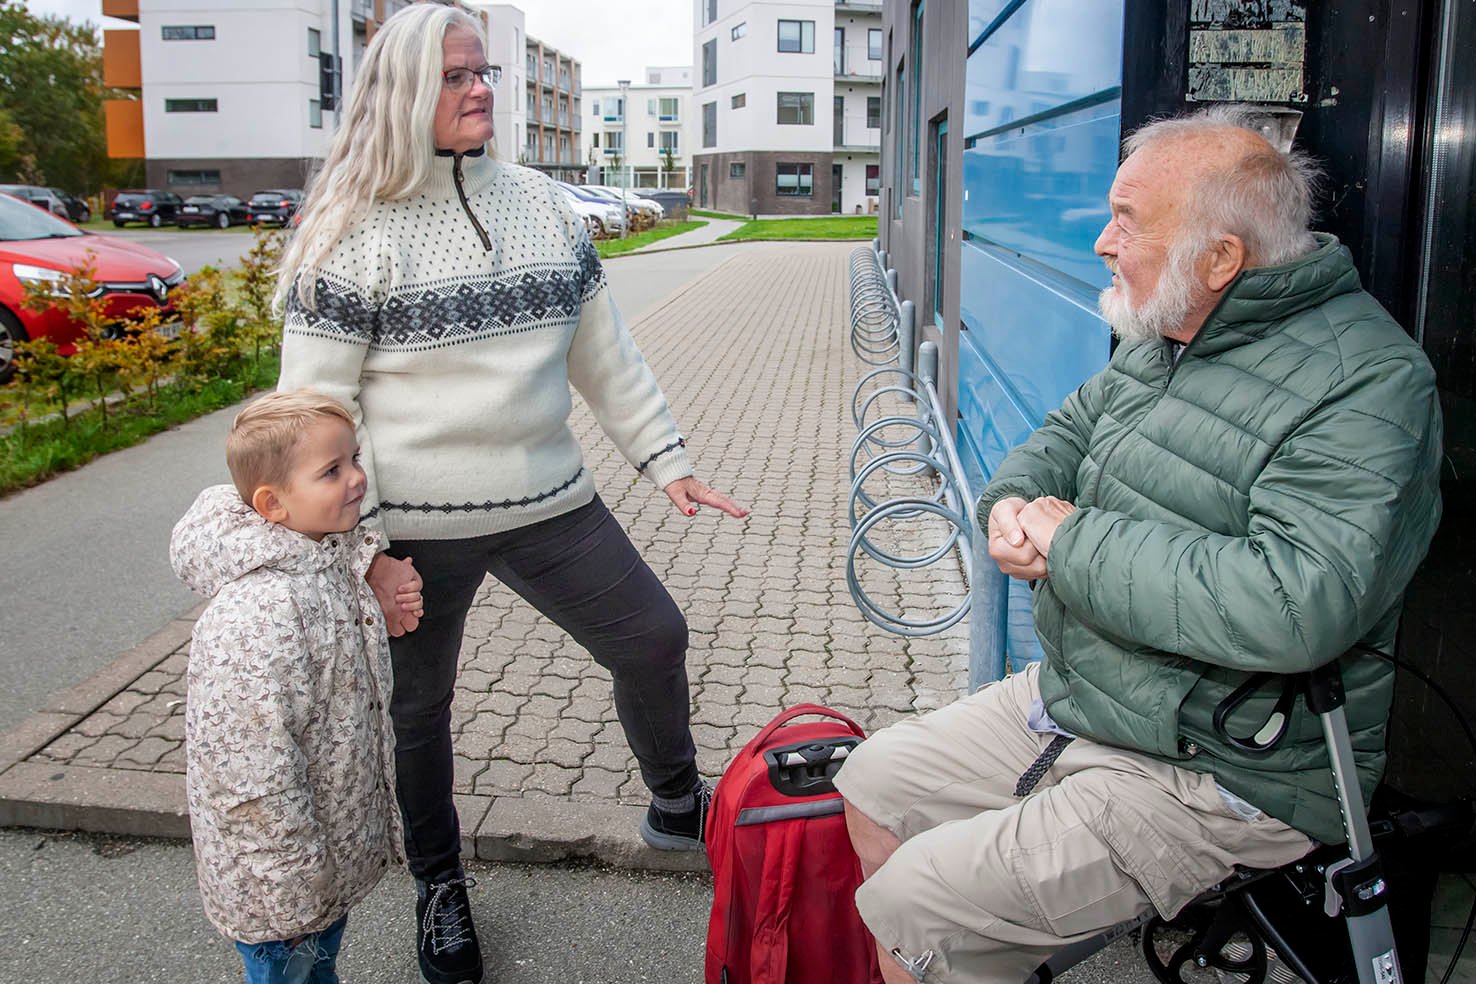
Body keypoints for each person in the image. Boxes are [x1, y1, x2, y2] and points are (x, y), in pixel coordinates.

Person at [835, 105, 1444, 983]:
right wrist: (1009, 506)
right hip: (1095, 692)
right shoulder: (1167, 333)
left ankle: (938, 944)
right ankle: (960, 960)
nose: (1100, 242)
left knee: (914, 902)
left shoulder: (1370, 383)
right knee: (873, 781)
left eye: (1126, 219)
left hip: (1229, 765)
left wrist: (1071, 540)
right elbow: (1061, 439)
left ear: (1221, 256)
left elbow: (1296, 602)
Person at [272, 6, 747, 983]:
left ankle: (673, 805)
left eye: (481, 70)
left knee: (652, 637)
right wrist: (360, 553)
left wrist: (667, 459)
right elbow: (311, 416)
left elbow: (604, 356)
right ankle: (439, 887)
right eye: (455, 76)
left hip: (552, 504)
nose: (479, 87)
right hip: (410, 528)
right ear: (403, 92)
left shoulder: (541, 203)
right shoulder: (349, 232)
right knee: (420, 709)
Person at [171, 390, 422, 984]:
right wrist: (295, 880)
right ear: (272, 503)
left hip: (319, 857)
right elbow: (249, 776)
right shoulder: (259, 615)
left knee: (318, 966)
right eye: (332, 470)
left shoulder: (322, 555)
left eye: (354, 459)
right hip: (280, 885)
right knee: (294, 974)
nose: (358, 478)